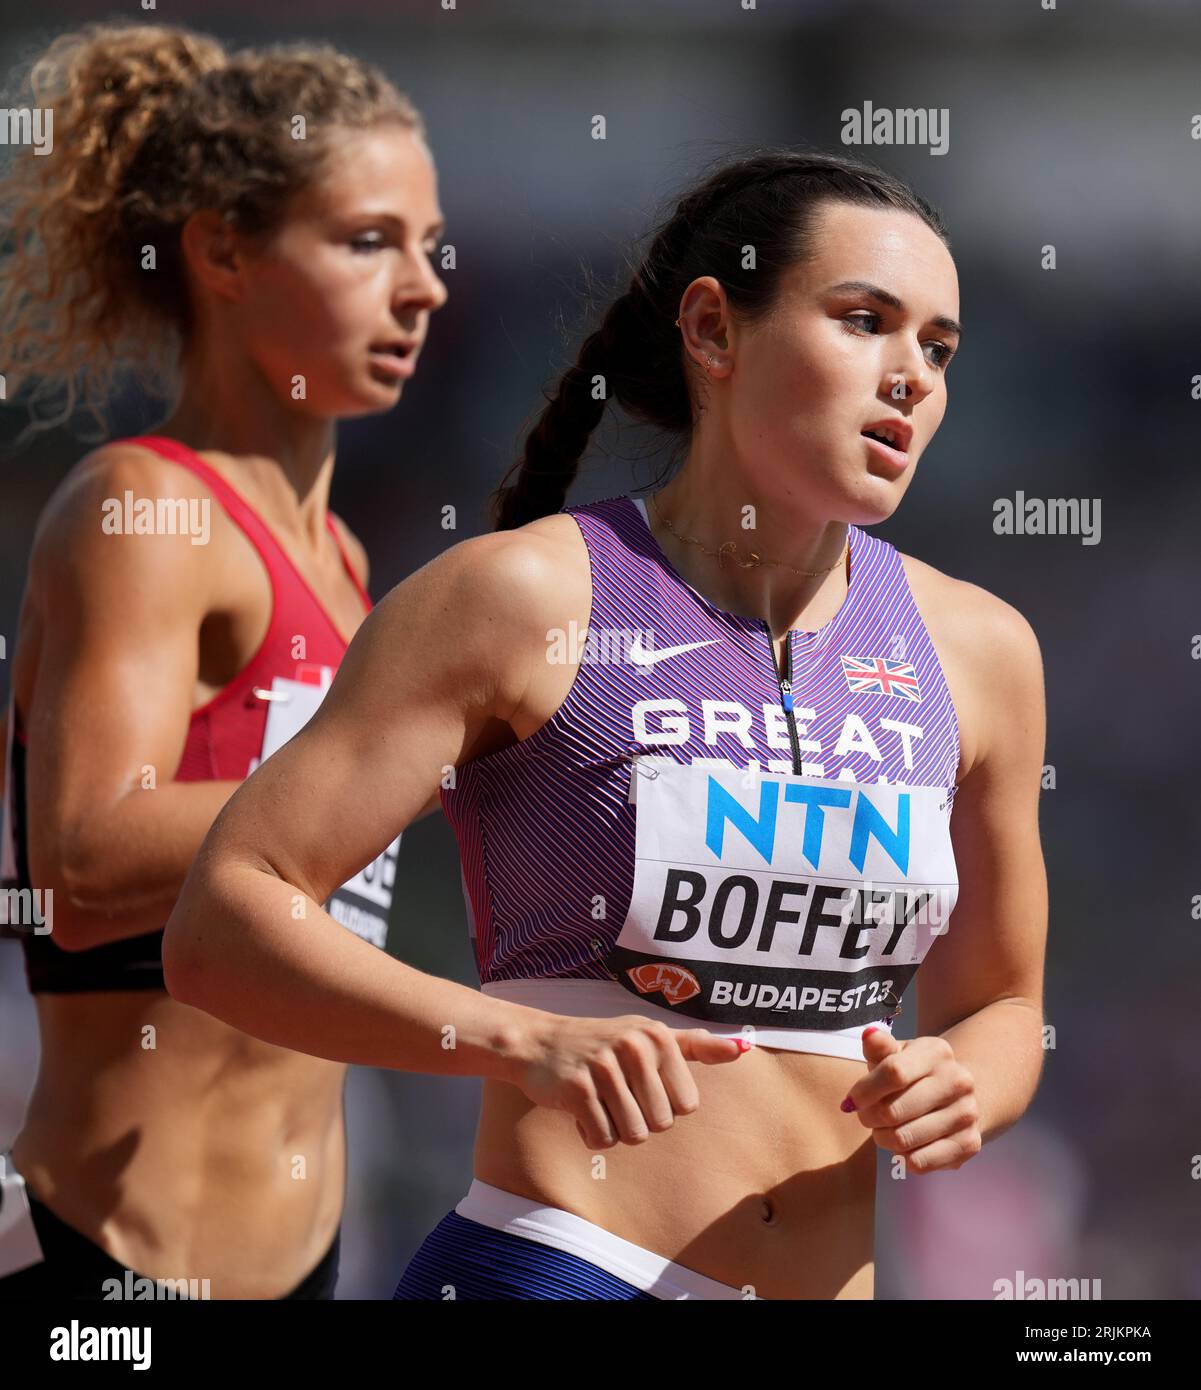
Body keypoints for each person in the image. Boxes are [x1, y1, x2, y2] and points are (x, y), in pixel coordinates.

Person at [162, 149, 1048, 1301]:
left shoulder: (979, 650)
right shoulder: (516, 599)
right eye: (863, 320)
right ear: (713, 330)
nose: (910, 377)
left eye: (937, 348)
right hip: (559, 1265)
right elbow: (226, 916)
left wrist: (967, 1078)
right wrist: (513, 1039)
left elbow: (1004, 1006)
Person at [0, 21, 447, 1298]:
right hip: (102, 1268)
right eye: (369, 242)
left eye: (426, 243)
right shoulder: (142, 509)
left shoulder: (351, 567)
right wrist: (396, 768)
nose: (424, 286)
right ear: (223, 251)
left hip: (302, 1266)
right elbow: (82, 857)